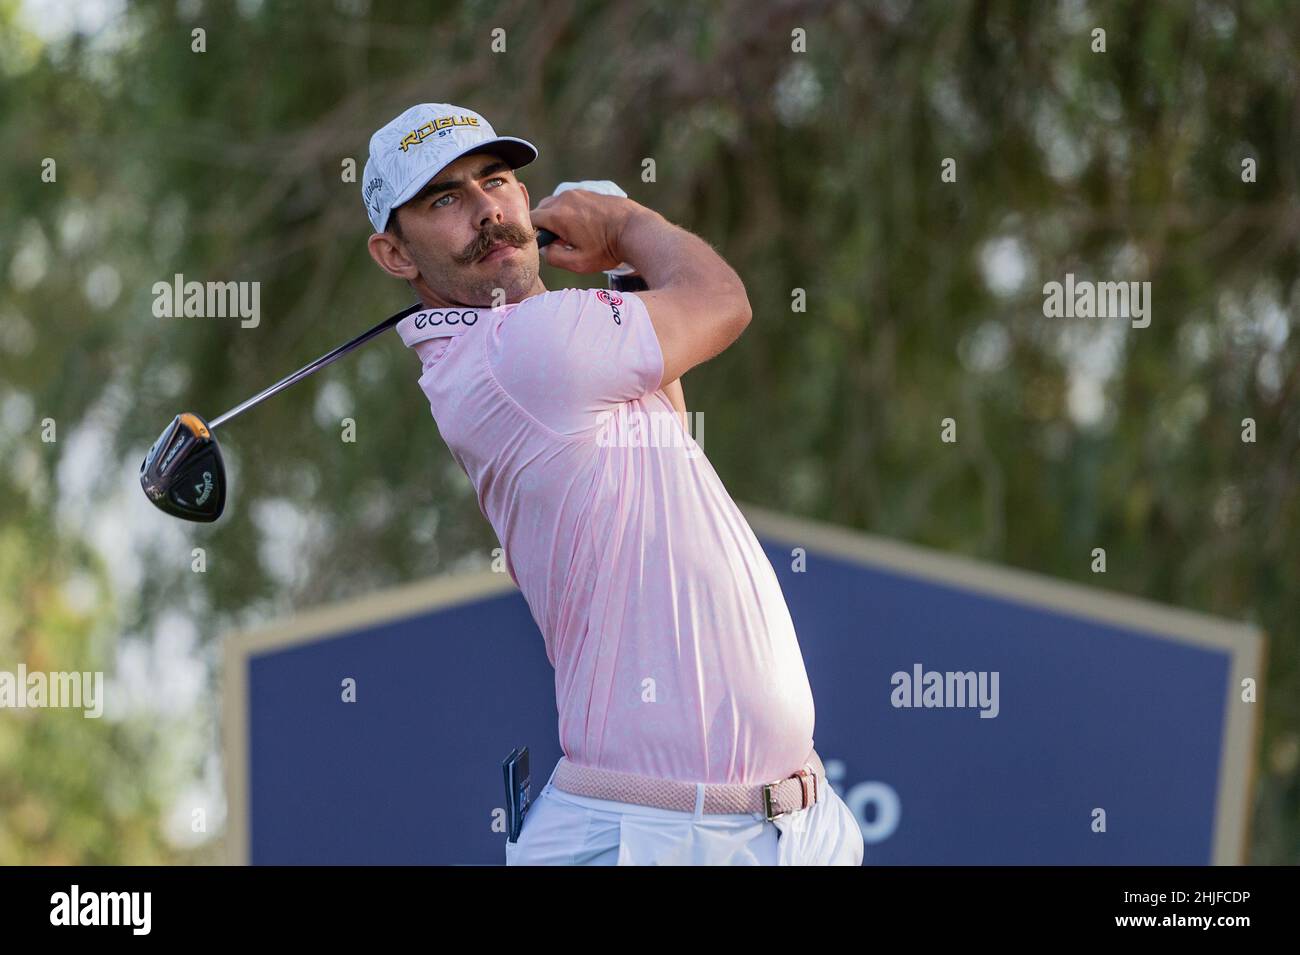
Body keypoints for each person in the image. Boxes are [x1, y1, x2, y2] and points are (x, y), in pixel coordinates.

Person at [363, 103, 864, 865]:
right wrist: (625, 222)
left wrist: (623, 270)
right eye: (445, 199)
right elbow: (724, 302)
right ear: (396, 256)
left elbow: (664, 400)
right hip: (650, 834)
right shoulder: (521, 349)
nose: (487, 211)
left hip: (789, 823)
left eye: (495, 181)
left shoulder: (540, 346)